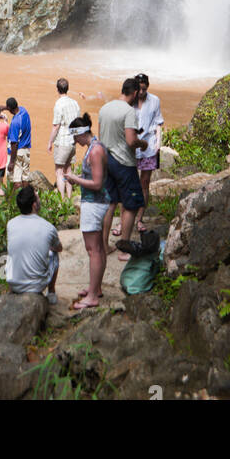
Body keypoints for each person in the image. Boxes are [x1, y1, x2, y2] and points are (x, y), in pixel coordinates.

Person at [63, 113, 108, 311]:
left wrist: (74, 178)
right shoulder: (94, 147)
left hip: (95, 203)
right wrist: (79, 177)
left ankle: (92, 296)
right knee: (97, 248)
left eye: (75, 138)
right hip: (95, 202)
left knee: (93, 250)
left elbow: (97, 184)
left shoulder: (95, 151)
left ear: (81, 134)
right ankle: (94, 288)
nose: (75, 142)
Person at [99, 77, 144, 260]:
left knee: (110, 203)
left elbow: (101, 135)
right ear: (134, 93)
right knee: (130, 205)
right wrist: (144, 143)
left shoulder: (105, 108)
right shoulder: (129, 111)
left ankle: (104, 245)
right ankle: (125, 250)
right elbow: (131, 140)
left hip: (106, 160)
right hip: (124, 163)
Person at [5, 184, 61, 304]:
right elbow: (59, 248)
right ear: (34, 205)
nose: (39, 199)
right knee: (54, 254)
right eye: (37, 197)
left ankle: (12, 289)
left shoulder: (10, 224)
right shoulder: (48, 227)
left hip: (13, 283)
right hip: (36, 286)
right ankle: (51, 292)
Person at [134, 73, 164, 226]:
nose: (141, 92)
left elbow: (158, 122)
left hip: (149, 146)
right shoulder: (129, 100)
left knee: (144, 183)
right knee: (129, 182)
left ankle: (139, 218)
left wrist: (158, 142)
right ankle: (127, 218)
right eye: (138, 89)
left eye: (144, 89)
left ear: (147, 87)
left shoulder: (154, 100)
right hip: (132, 147)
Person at [47, 77, 79, 198]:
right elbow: (78, 122)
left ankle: (61, 200)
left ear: (57, 89)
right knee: (68, 171)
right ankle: (70, 197)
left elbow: (56, 126)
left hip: (63, 141)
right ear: (67, 89)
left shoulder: (59, 104)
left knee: (59, 171)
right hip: (72, 142)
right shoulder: (74, 103)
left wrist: (50, 142)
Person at [5, 97, 32, 186]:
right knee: (25, 178)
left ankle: (15, 199)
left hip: (17, 152)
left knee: (15, 180)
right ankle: (27, 198)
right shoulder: (24, 111)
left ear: (9, 109)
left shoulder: (15, 123)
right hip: (26, 150)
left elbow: (14, 143)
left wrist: (12, 162)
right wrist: (4, 108)